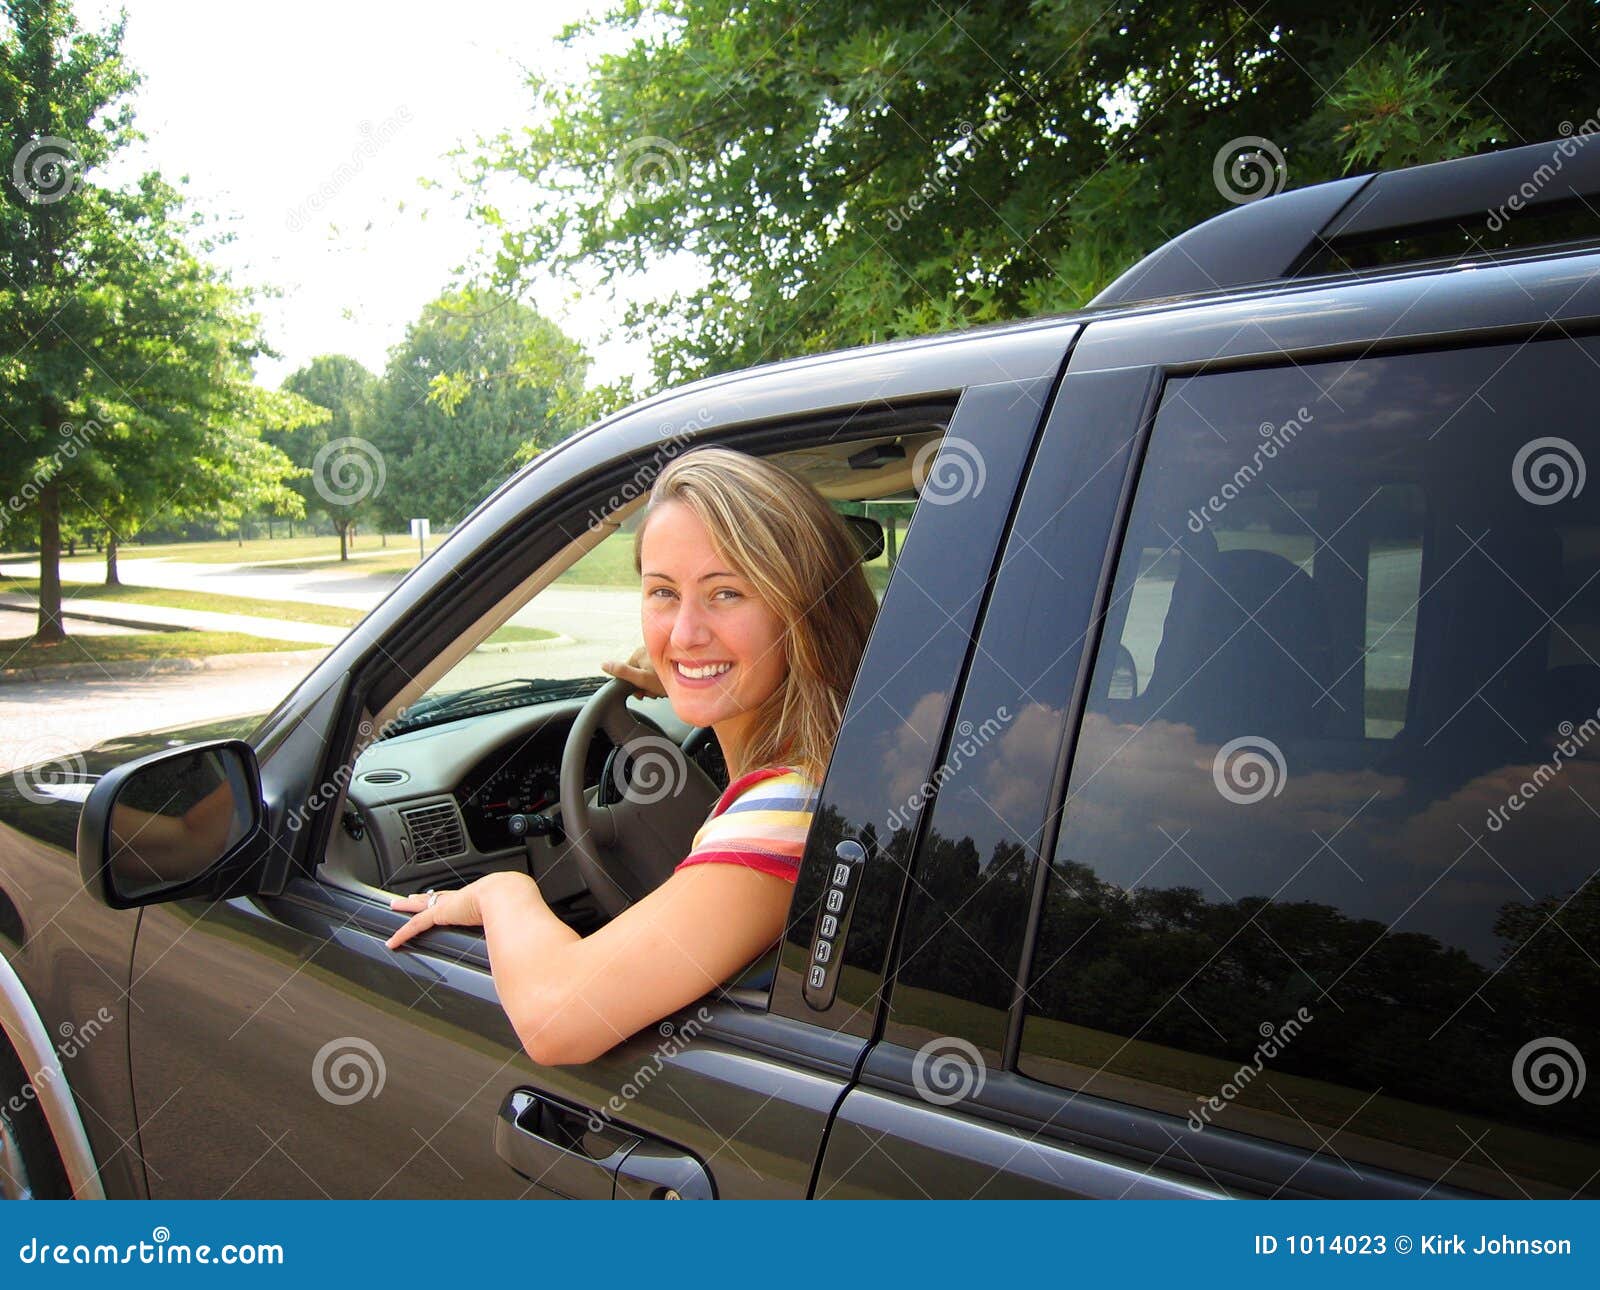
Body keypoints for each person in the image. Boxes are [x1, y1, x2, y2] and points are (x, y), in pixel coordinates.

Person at [385, 447, 877, 1065]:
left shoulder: (788, 810)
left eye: (727, 593)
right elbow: (698, 644)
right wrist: (685, 673)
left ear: (803, 608)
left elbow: (554, 1019)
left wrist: (501, 891)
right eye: (663, 593)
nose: (684, 632)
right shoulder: (848, 754)